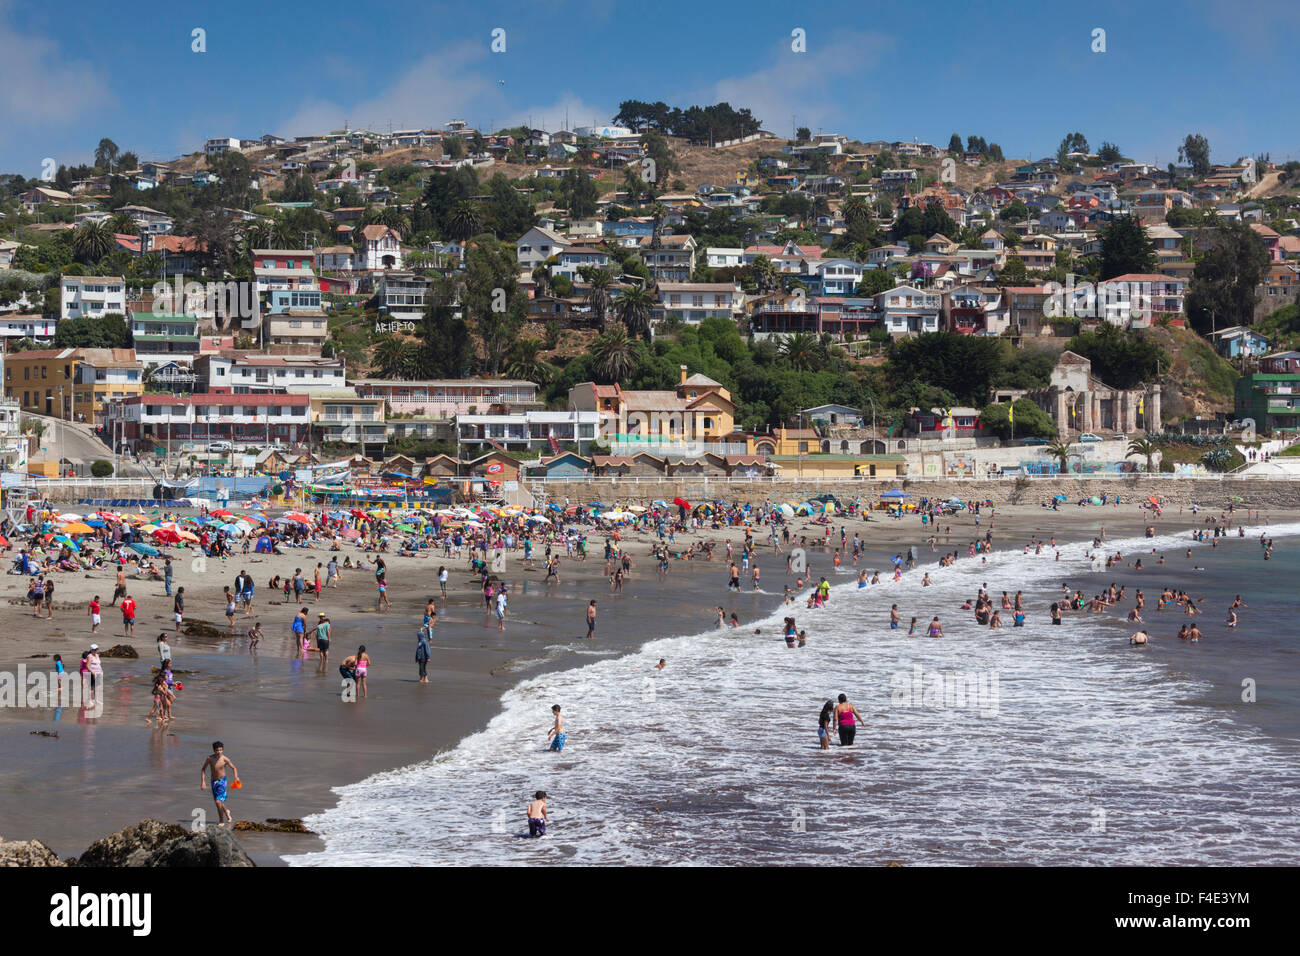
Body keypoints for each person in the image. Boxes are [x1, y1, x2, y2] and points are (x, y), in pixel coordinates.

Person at [200, 741, 240, 828]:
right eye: (217, 750)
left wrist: (236, 777)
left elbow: (234, 768)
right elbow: (203, 769)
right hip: (213, 782)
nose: (219, 752)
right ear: (214, 750)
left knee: (218, 801)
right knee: (218, 802)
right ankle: (226, 812)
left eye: (221, 750)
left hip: (222, 781)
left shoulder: (225, 759)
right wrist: (203, 781)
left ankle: (221, 820)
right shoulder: (210, 758)